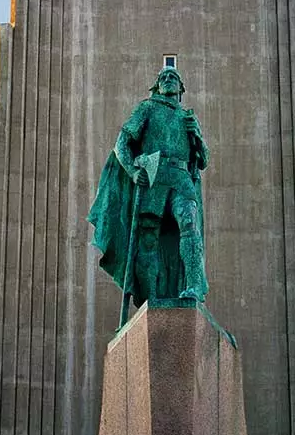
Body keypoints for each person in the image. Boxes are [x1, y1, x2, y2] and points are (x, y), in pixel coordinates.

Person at [88, 66, 210, 309]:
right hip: (154, 178)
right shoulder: (147, 108)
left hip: (181, 177)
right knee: (148, 239)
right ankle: (150, 296)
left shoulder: (188, 118)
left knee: (189, 223)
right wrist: (133, 172)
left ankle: (194, 286)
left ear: (180, 88)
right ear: (157, 86)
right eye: (163, 77)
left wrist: (198, 136)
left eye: (173, 77)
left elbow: (203, 160)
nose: (167, 79)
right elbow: (122, 142)